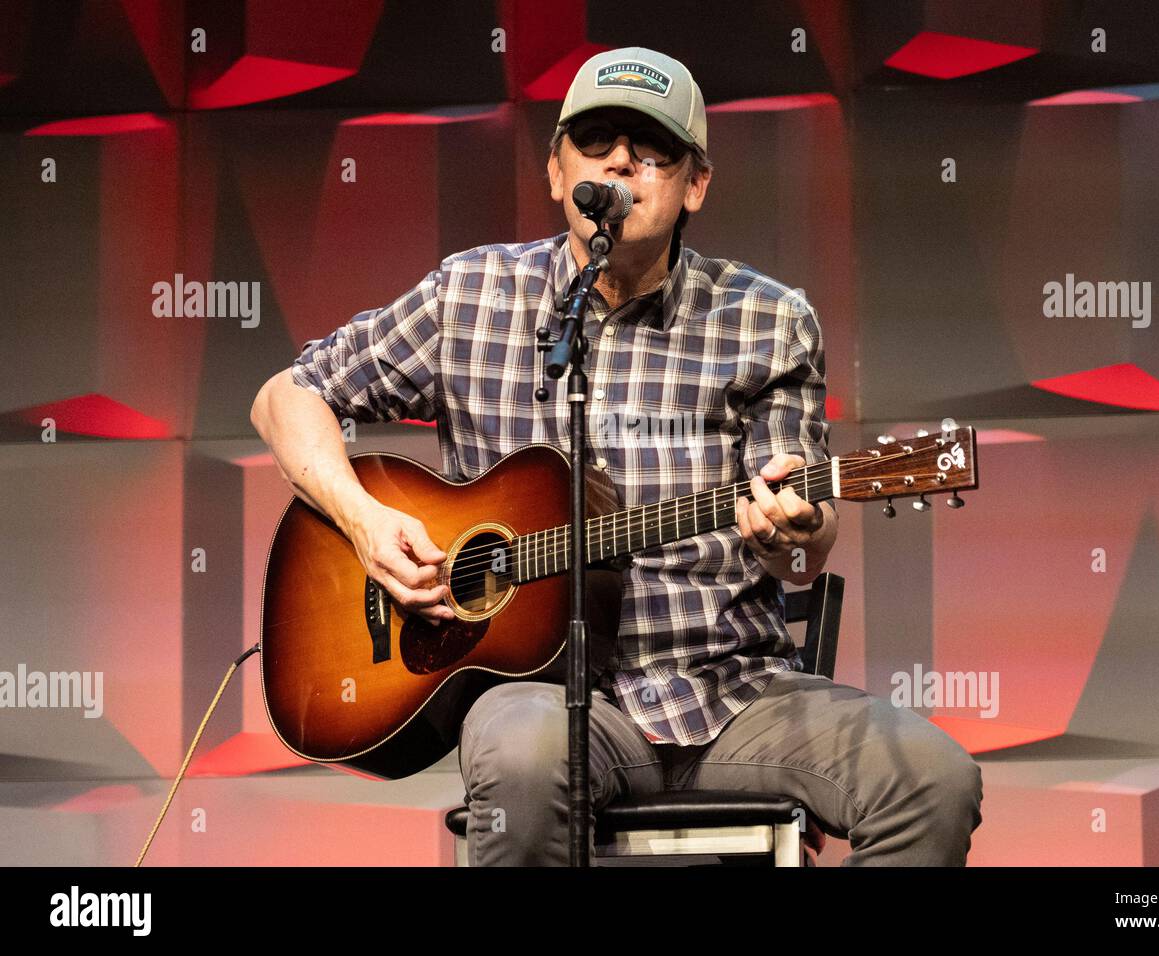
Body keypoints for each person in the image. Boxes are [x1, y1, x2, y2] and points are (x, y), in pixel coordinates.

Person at [250, 47, 982, 866]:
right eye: (598, 143)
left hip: (731, 694)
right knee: (523, 756)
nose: (623, 164)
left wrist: (794, 530)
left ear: (694, 184)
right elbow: (287, 395)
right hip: (545, 699)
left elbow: (802, 533)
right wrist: (365, 522)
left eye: (654, 150)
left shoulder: (766, 320)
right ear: (558, 171)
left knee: (932, 779)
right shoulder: (472, 295)